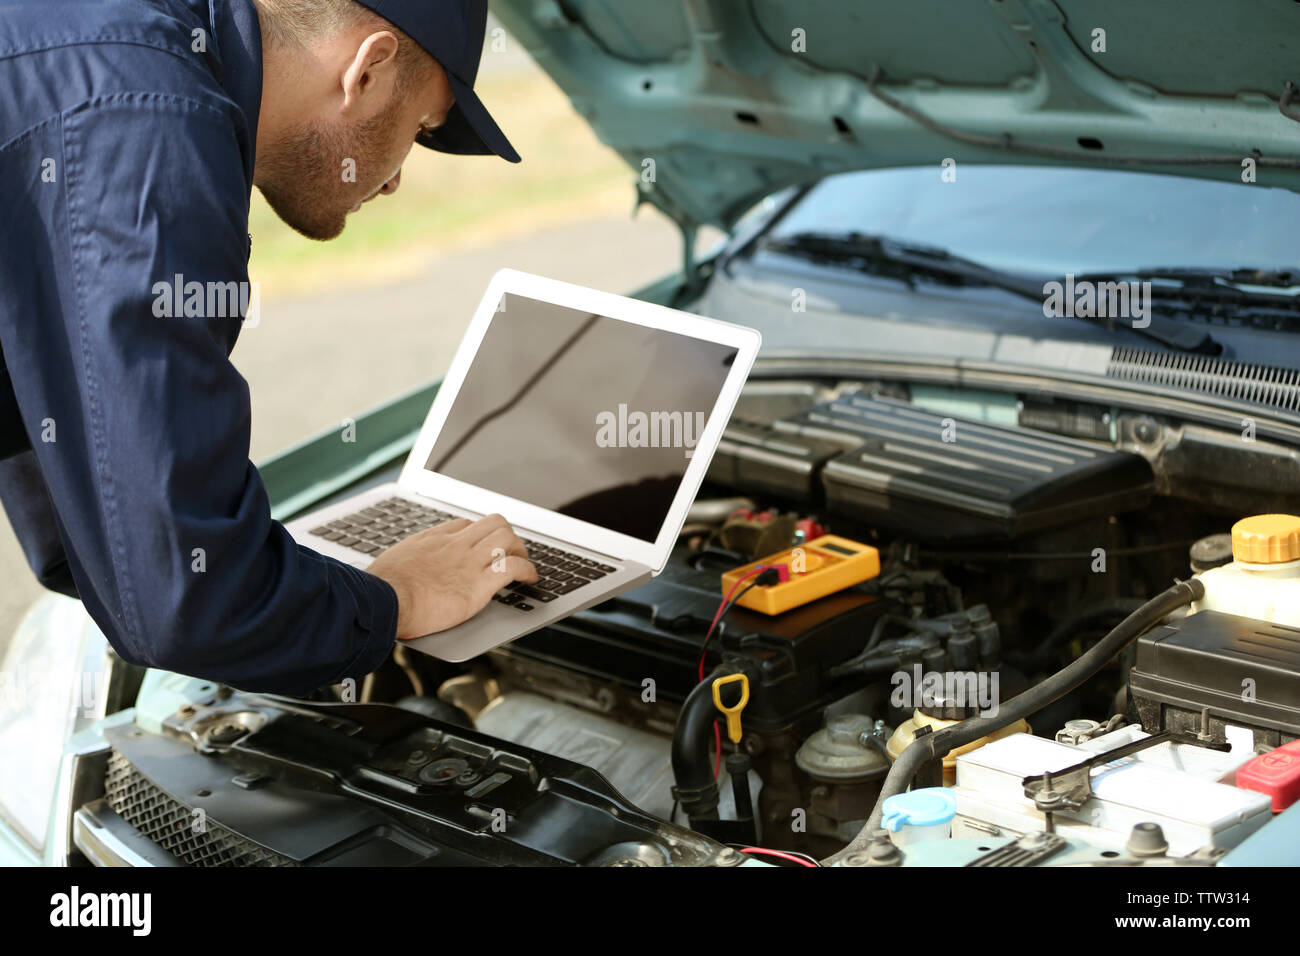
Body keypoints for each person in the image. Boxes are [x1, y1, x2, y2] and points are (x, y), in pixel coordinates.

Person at [0, 0, 537, 695]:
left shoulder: (118, 43)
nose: (400, 177)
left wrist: (268, 576)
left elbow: (69, 454)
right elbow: (184, 604)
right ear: (366, 70)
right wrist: (396, 600)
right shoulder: (150, 126)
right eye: (421, 128)